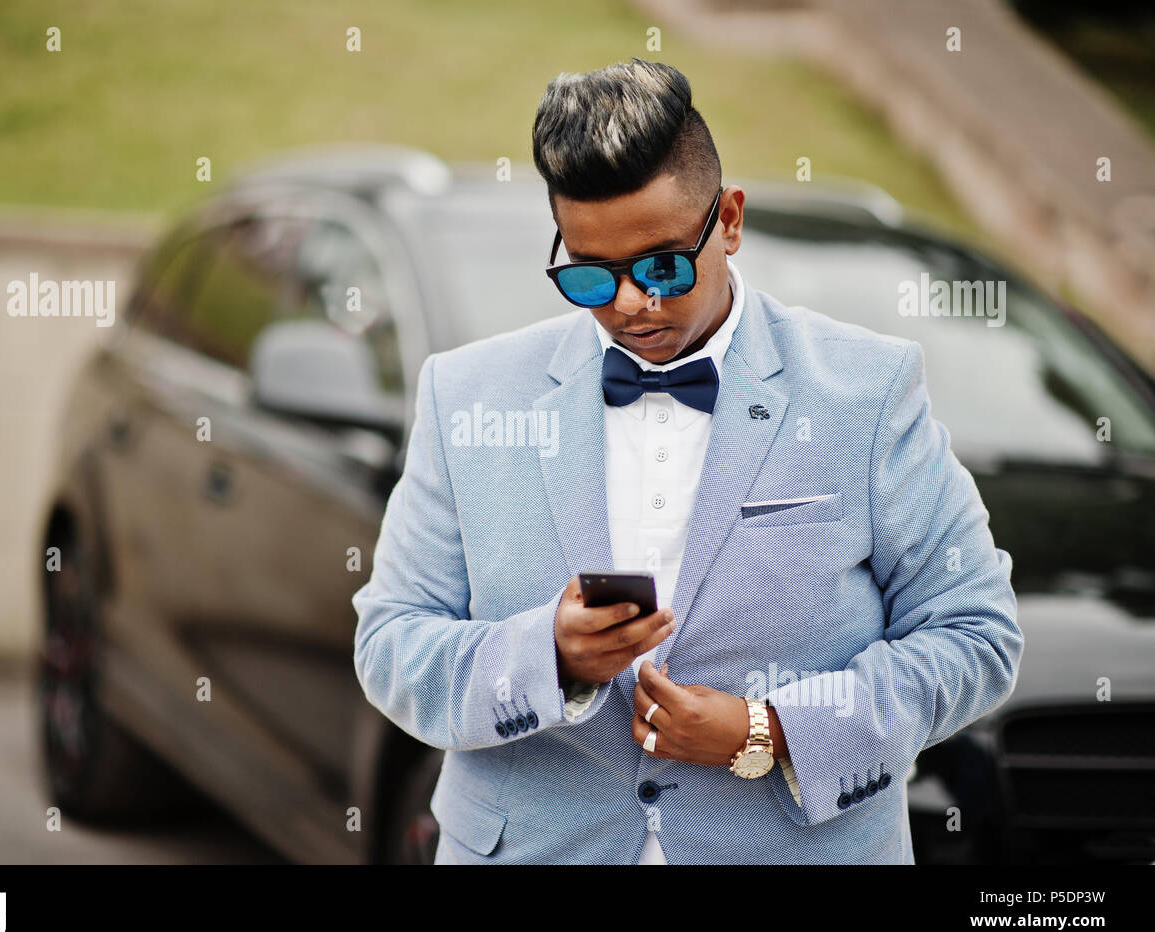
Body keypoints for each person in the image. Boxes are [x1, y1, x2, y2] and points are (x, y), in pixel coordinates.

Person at [352, 58, 1022, 864]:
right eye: (591, 276)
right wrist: (548, 657)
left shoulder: (865, 393)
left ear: (730, 220)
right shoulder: (466, 396)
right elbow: (391, 643)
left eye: (663, 266)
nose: (634, 302)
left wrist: (769, 731)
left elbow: (975, 632)